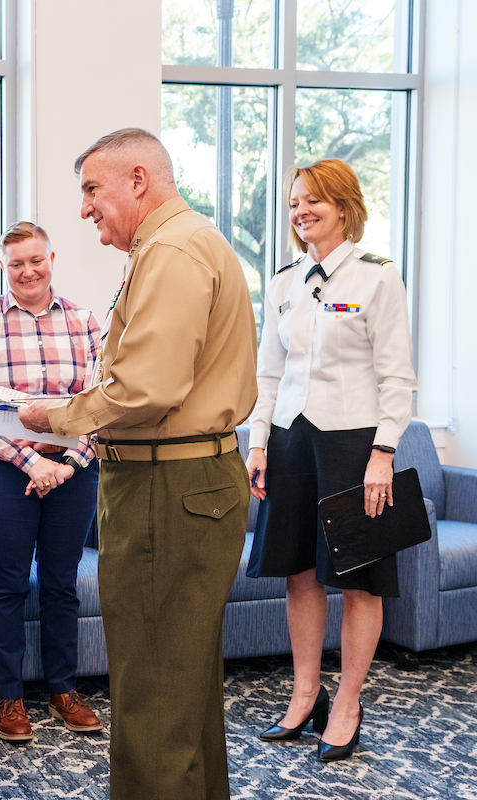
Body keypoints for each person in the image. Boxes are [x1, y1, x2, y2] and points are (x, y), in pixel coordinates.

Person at [19, 128, 257, 800]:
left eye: (94, 189)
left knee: (154, 694)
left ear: (139, 179)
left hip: (165, 486)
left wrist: (56, 418)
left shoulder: (174, 250)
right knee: (181, 692)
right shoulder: (183, 243)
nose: (86, 207)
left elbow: (148, 388)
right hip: (181, 479)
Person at [245, 158, 417, 762]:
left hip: (353, 445)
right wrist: (258, 441)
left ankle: (347, 705)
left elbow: (398, 378)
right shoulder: (284, 282)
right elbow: (269, 372)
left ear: (343, 207)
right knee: (298, 572)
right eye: (295, 203)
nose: (301, 211)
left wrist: (383, 454)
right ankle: (304, 694)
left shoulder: (377, 277)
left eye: (314, 200)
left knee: (359, 582)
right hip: (291, 440)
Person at [0, 221, 103, 742]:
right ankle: (11, 698)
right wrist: (31, 463)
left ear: (52, 259)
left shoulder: (85, 321)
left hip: (73, 470)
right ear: (4, 266)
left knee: (63, 584)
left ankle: (64, 690)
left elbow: (100, 401)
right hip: (2, 472)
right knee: (9, 584)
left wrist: (69, 460)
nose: (27, 271)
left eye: (35, 260)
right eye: (16, 263)